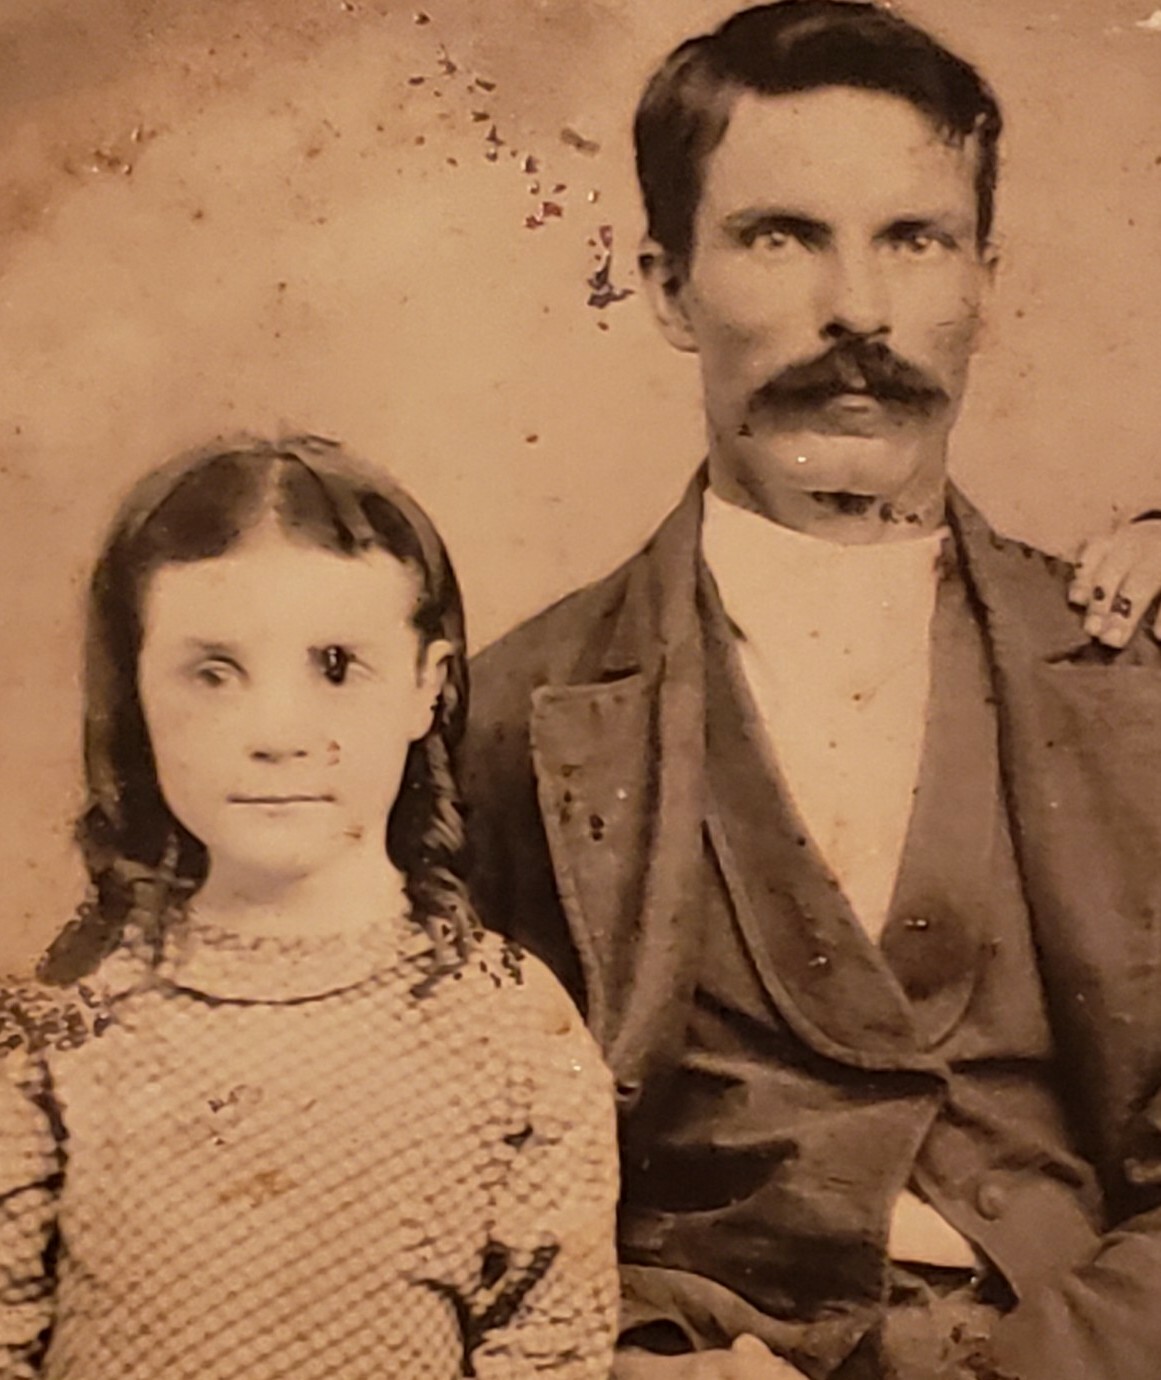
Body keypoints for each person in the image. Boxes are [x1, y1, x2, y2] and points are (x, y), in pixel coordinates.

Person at [460, 4, 1161, 1378]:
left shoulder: (1136, 675)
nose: (859, 307)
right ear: (665, 286)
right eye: (781, 236)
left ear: (983, 281)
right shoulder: (508, 710)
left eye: (914, 239)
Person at [0, 436, 619, 1380]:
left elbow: (550, 1355)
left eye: (335, 665)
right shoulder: (60, 1030)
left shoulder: (512, 1027)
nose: (276, 735)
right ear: (136, 691)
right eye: (212, 673)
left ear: (428, 686)